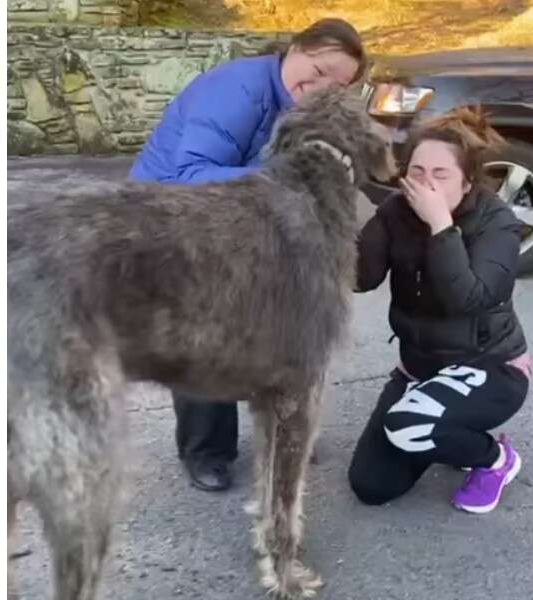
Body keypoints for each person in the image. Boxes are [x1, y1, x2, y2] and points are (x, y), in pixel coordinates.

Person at [128, 18, 368, 492]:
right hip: (173, 219)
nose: (318, 87)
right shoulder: (238, 90)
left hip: (246, 224)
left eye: (334, 85)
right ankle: (206, 451)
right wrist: (282, 180)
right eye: (317, 70)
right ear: (295, 47)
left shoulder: (302, 106)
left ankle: (284, 428)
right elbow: (191, 172)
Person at [348, 107, 532, 513]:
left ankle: (495, 460)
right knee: (371, 484)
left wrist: (440, 225)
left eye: (441, 174)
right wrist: (356, 222)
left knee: (409, 425)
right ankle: (442, 428)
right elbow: (362, 279)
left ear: (467, 181)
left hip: (490, 367)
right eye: (417, 172)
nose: (425, 184)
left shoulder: (496, 222)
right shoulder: (397, 212)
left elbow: (468, 298)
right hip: (421, 367)